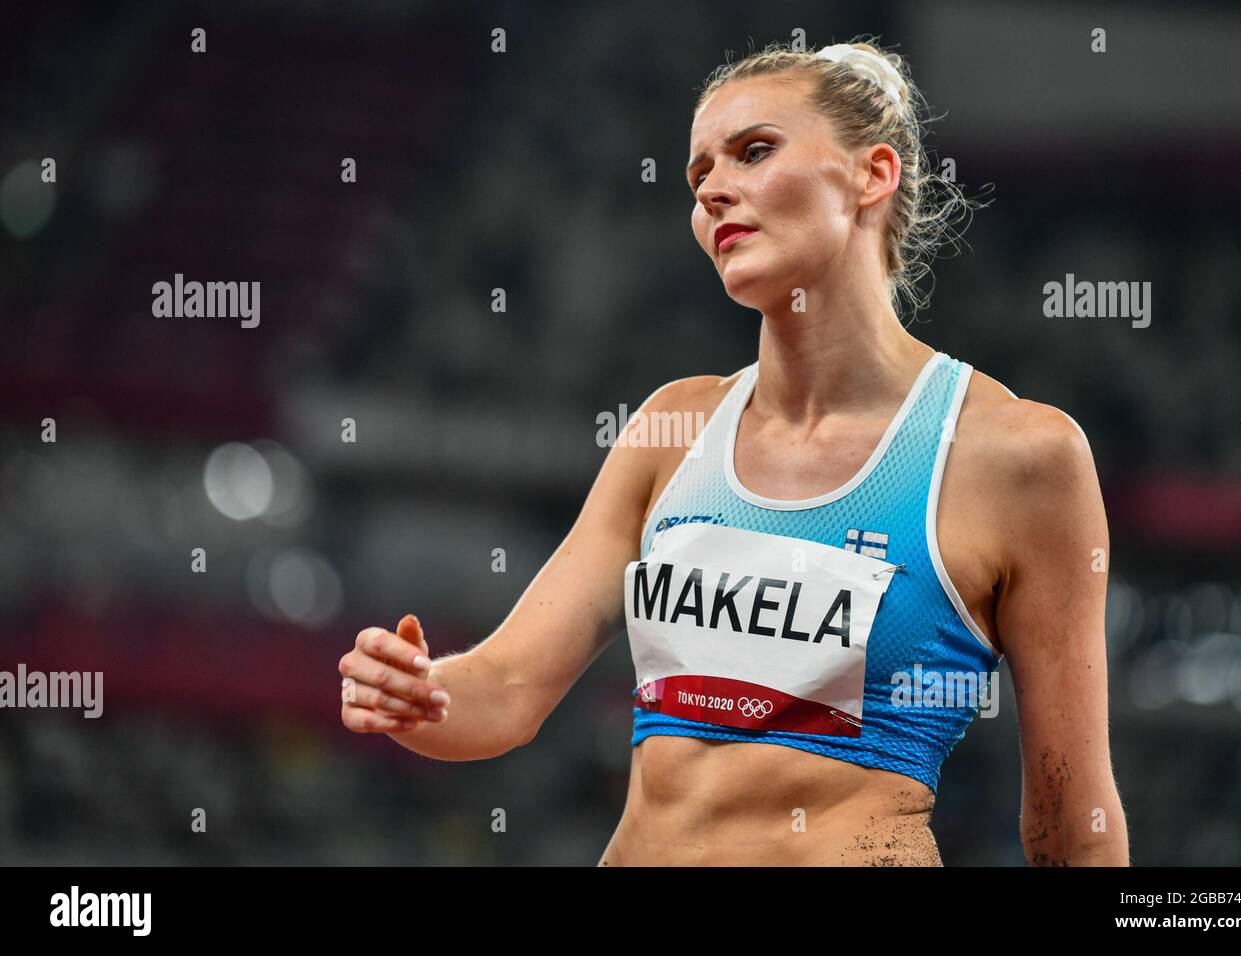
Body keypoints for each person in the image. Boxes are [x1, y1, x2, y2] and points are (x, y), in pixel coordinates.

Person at [338, 38, 1128, 866]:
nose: (714, 189)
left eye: (755, 151)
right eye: (698, 176)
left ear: (872, 174)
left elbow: (1073, 820)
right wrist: (419, 692)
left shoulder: (1017, 456)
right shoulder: (671, 428)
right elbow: (504, 692)